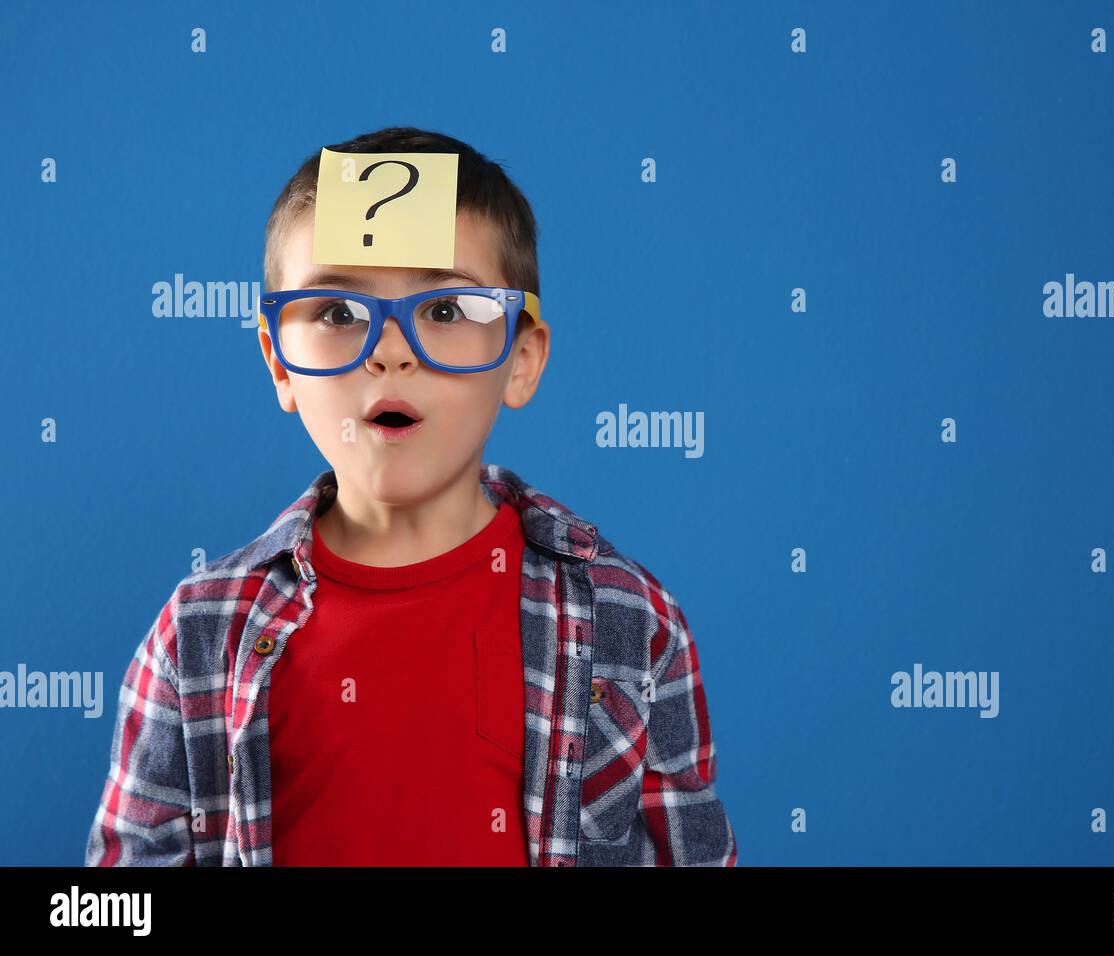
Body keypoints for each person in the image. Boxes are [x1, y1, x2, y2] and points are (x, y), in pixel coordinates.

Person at [84, 126, 737, 867]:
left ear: (521, 360)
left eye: (448, 310)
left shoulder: (632, 621)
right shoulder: (197, 637)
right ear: (279, 365)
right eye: (337, 313)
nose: (390, 350)